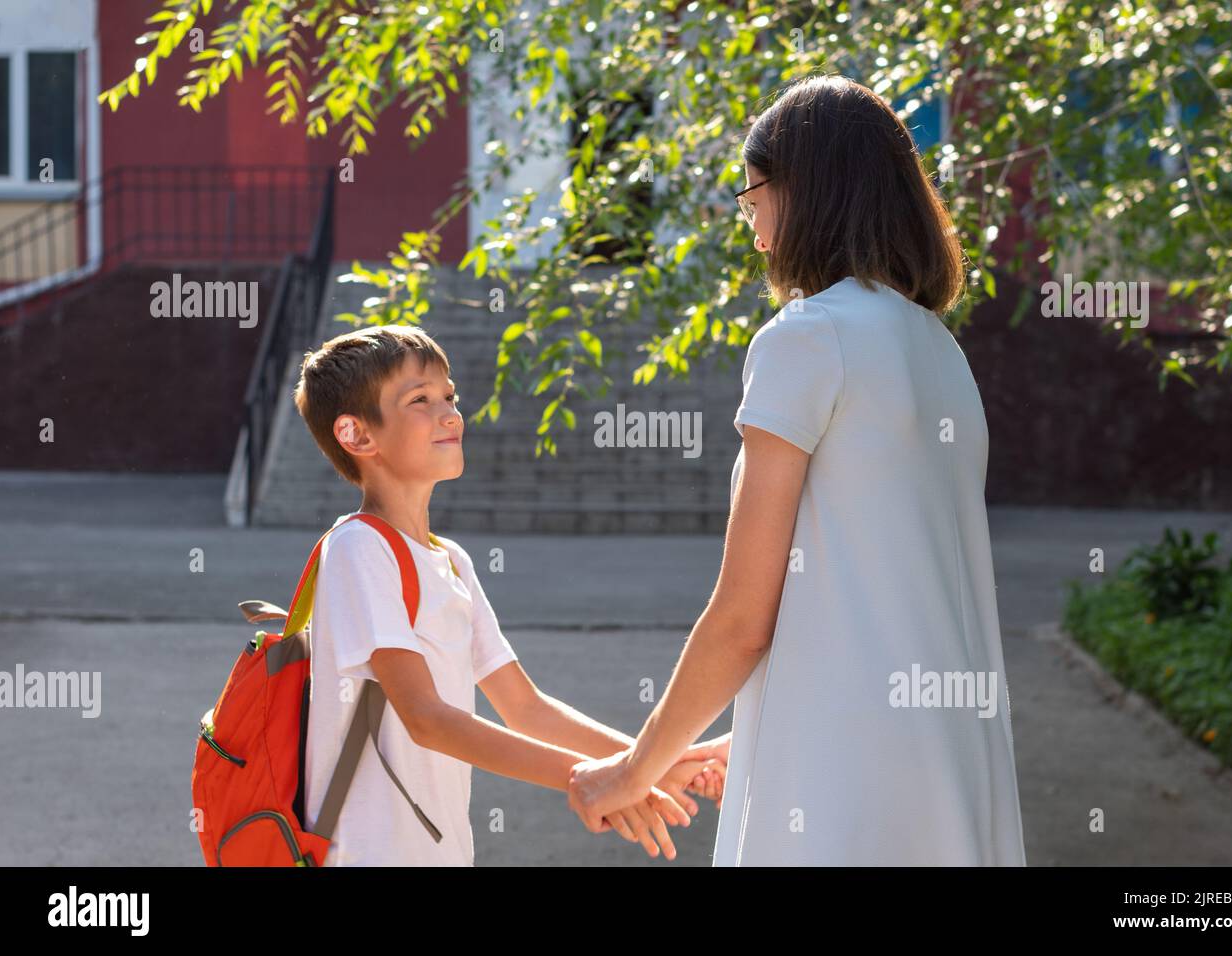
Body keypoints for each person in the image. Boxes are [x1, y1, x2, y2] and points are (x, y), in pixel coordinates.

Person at [568, 73, 1028, 866]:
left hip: (838, 785)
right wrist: (744, 732)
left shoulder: (806, 338)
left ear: (803, 191)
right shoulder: (939, 349)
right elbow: (875, 594)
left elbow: (744, 616)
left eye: (752, 202)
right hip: (950, 768)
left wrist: (628, 771)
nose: (755, 235)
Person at [291, 324, 724, 865]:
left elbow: (526, 708)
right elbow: (425, 717)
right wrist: (579, 777)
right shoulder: (359, 549)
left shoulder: (450, 560)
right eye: (420, 400)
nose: (450, 413)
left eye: (450, 396)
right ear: (356, 436)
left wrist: (650, 762)